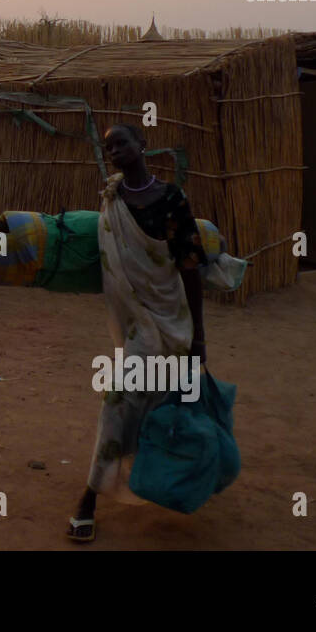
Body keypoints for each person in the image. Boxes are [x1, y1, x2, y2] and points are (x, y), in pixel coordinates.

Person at [69, 123, 207, 543]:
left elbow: (189, 265)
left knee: (161, 404)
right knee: (121, 401)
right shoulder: (113, 202)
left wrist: (199, 336)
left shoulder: (170, 199)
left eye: (123, 143)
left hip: (171, 318)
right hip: (136, 328)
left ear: (142, 145)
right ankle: (90, 495)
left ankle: (152, 481)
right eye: (109, 147)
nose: (115, 151)